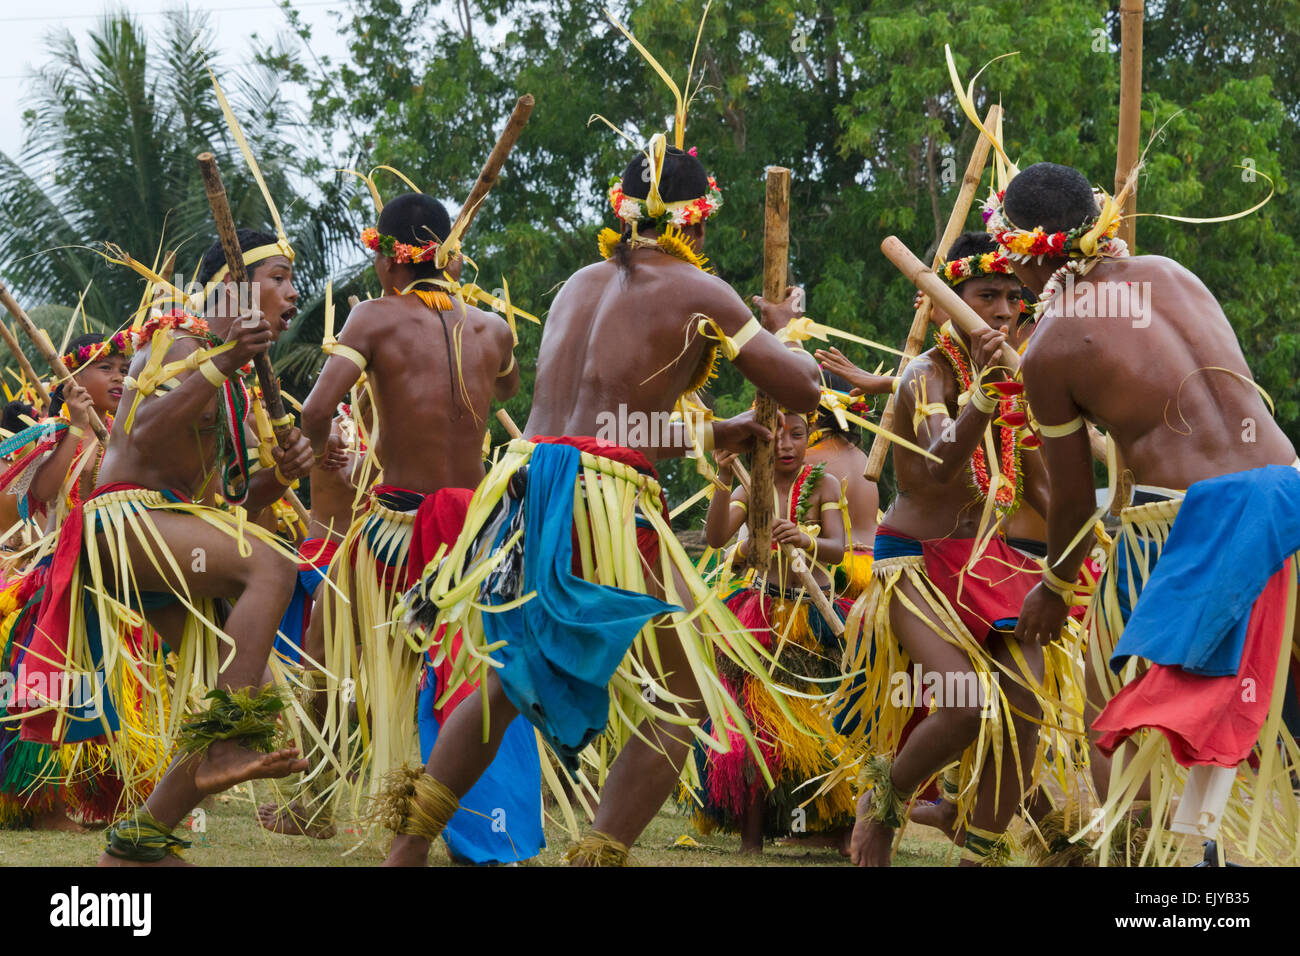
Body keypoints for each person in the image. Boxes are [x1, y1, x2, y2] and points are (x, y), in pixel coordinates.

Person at [388, 132, 821, 866]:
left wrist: (723, 429)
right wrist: (784, 330)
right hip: (600, 499)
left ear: (624, 216)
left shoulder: (580, 284)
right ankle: (599, 853)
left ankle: (406, 851)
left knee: (511, 677)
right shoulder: (701, 289)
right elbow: (804, 388)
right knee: (687, 697)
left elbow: (613, 421)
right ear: (699, 223)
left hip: (530, 486)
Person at [1003, 161, 1300, 864]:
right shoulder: (1171, 273)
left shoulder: (1048, 348)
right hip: (1288, 490)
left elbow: (1074, 503)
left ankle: (1163, 863)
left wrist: (1054, 586)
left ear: (1018, 253)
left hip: (1191, 522)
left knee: (1120, 705)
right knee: (1284, 702)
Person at [12, 226, 316, 865]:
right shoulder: (173, 341)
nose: (293, 293)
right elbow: (145, 433)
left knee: (254, 683)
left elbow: (239, 501)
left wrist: (284, 470)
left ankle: (139, 843)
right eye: (279, 279)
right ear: (230, 289)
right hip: (123, 523)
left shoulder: (235, 382)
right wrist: (225, 358)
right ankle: (224, 745)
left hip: (166, 538)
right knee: (274, 565)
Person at [840, 231, 1063, 866]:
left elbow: (1044, 488)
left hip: (998, 564)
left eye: (1012, 297)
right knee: (964, 702)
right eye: (985, 295)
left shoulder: (1023, 383)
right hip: (915, 559)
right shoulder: (923, 377)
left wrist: (1093, 536)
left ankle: (982, 855)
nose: (1001, 310)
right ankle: (886, 803)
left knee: (1025, 707)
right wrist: (985, 401)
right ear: (945, 305)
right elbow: (939, 464)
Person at [300, 192, 522, 819]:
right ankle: (463, 803)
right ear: (447, 256)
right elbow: (506, 382)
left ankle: (314, 799)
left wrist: (298, 454)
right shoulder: (493, 328)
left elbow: (318, 411)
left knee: (328, 636)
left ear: (385, 257)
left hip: (399, 524)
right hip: (477, 532)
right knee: (461, 666)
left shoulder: (372, 317)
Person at [685, 409, 852, 853]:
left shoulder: (825, 485)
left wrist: (803, 539)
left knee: (809, 730)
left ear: (808, 438)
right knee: (754, 725)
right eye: (777, 436)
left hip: (809, 621)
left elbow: (837, 551)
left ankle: (830, 826)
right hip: (759, 615)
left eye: (796, 435)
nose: (786, 445)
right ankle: (751, 838)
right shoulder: (750, 484)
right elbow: (717, 537)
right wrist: (723, 475)